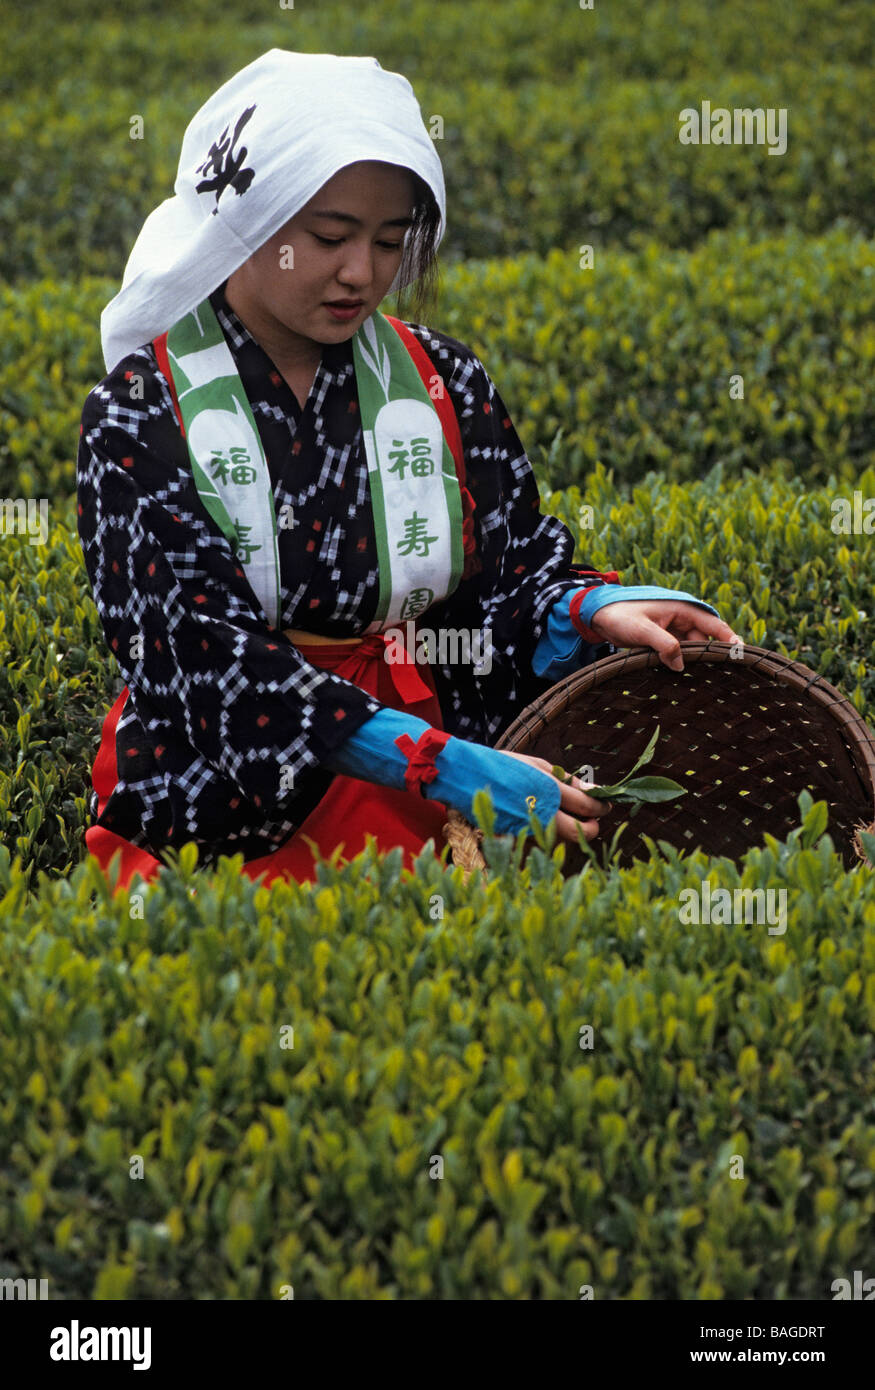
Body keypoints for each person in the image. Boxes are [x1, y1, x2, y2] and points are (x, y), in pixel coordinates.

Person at [77, 49, 741, 891]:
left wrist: (588, 605)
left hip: (452, 759)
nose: (361, 272)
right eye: (328, 237)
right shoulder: (141, 412)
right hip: (235, 803)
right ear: (246, 221)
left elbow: (510, 569)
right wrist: (428, 762)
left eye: (391, 242)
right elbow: (203, 658)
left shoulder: (442, 381)